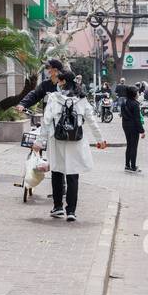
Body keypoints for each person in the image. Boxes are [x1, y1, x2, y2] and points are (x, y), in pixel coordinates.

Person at [34, 69, 107, 221]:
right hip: (76, 140)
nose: (57, 83)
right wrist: (100, 139)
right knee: (73, 175)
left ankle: (58, 207)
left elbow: (46, 121)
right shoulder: (81, 99)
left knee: (57, 172)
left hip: (57, 140)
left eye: (59, 81)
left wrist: (39, 142)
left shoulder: (54, 98)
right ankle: (71, 211)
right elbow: (91, 120)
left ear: (64, 82)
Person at [120, 85, 145, 172]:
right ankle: (133, 166)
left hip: (125, 126)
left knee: (129, 145)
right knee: (134, 146)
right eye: (137, 92)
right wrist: (142, 131)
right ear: (134, 94)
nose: (138, 93)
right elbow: (137, 119)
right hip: (133, 127)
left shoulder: (124, 102)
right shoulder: (135, 104)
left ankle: (127, 165)